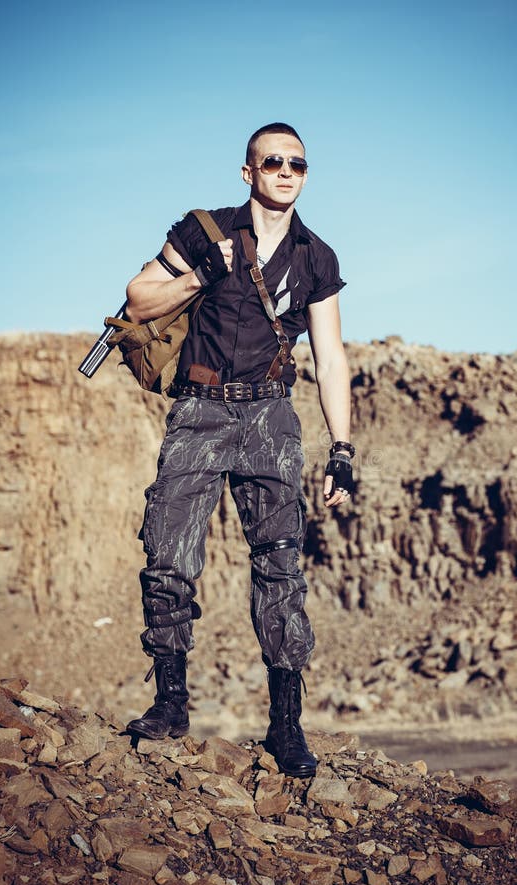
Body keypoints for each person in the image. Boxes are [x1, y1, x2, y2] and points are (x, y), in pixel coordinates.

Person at [125, 123, 354, 778]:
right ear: (248, 172)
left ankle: (286, 728)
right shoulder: (206, 231)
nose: (286, 171)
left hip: (271, 417)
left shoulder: (317, 256)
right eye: (272, 162)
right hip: (199, 411)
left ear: (305, 174)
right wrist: (203, 271)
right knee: (168, 556)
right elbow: (140, 300)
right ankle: (170, 706)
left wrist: (342, 447)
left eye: (297, 163)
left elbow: (331, 356)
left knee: (281, 567)